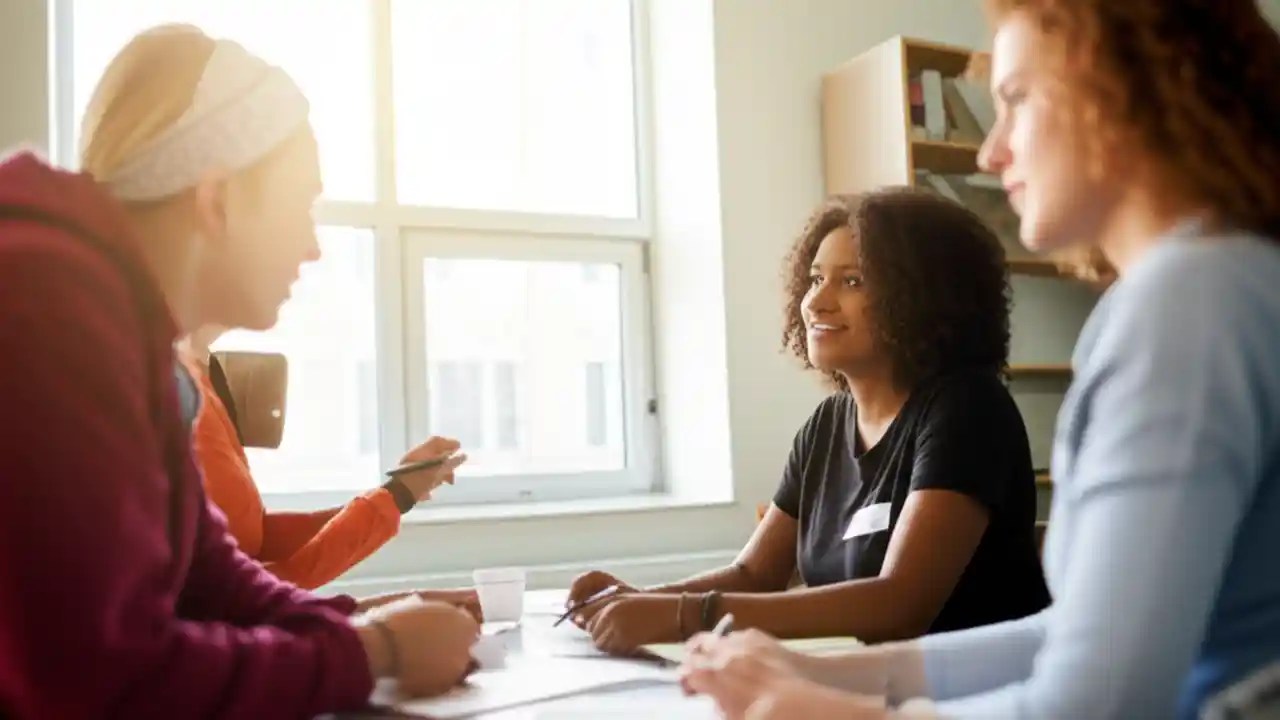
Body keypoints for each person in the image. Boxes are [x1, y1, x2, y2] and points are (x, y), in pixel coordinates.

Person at [679, 1, 1280, 718]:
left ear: (1128, 92)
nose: (991, 153)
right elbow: (1076, 639)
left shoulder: (1191, 304)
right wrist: (821, 672)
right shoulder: (1194, 291)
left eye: (1017, 100)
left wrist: (828, 712)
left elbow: (1101, 700)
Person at [0, 25, 478, 717]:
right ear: (217, 199)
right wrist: (373, 650)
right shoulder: (46, 304)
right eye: (302, 203)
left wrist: (356, 628)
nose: (314, 247)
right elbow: (98, 677)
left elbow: (211, 576)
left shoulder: (141, 344)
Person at [567, 188, 1049, 655]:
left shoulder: (967, 409)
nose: (817, 301)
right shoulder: (826, 425)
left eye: (852, 281)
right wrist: (642, 598)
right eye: (816, 278)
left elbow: (901, 605)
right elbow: (756, 576)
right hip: (861, 691)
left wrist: (685, 615)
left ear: (924, 299)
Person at [179, 324, 475, 605]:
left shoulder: (200, 378)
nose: (301, 268)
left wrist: (396, 495)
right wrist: (398, 494)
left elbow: (255, 540)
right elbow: (241, 595)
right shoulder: (171, 396)